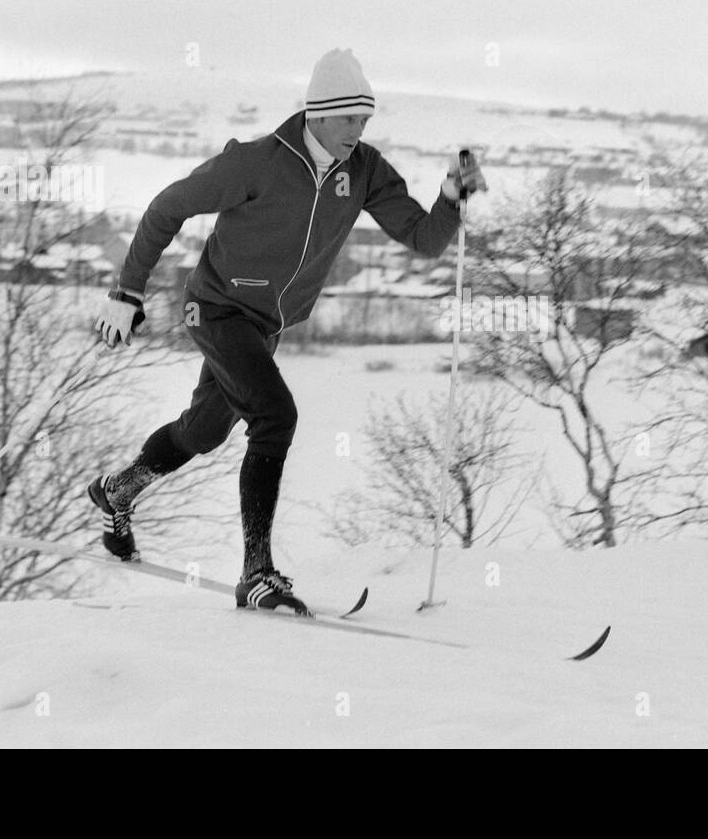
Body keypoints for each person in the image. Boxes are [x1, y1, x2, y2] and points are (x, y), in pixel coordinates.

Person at [91, 48, 487, 614]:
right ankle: (257, 572)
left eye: (366, 119)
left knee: (203, 431)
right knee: (275, 414)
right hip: (216, 307)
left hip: (265, 326)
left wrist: (450, 200)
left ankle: (118, 490)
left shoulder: (365, 170)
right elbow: (165, 207)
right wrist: (127, 292)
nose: (359, 129)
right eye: (351, 118)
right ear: (319, 113)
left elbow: (423, 238)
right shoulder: (255, 164)